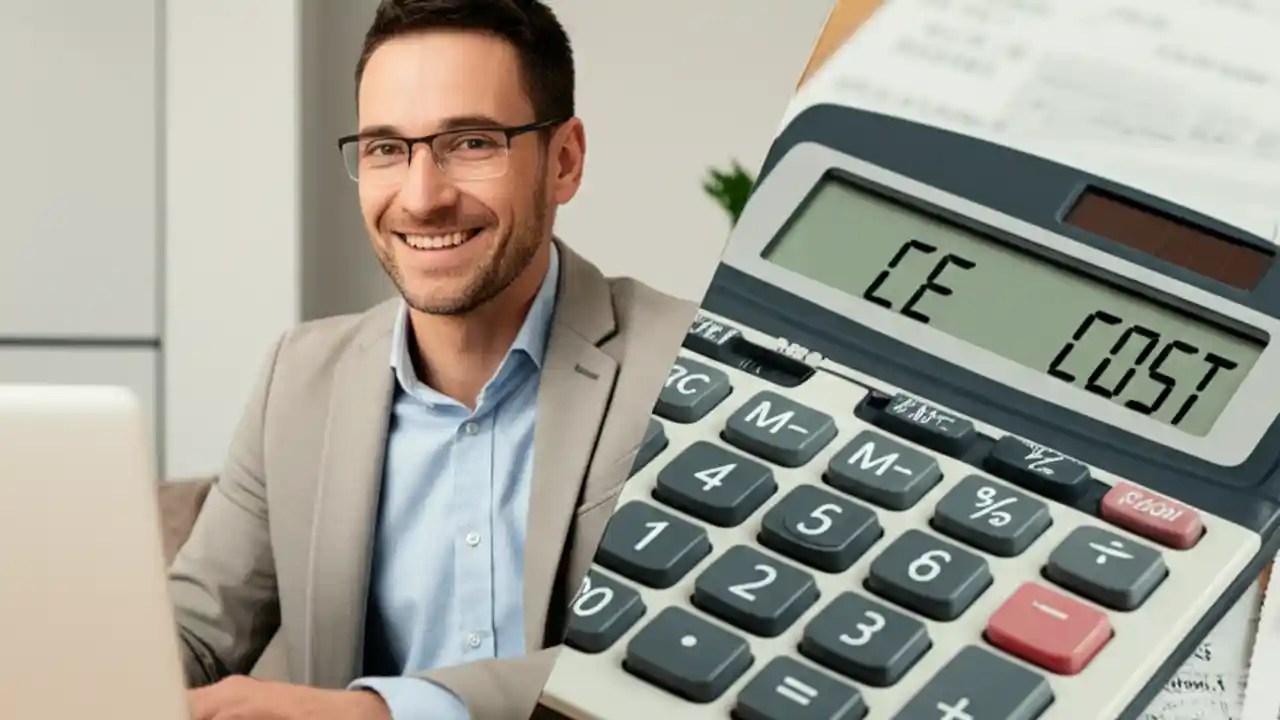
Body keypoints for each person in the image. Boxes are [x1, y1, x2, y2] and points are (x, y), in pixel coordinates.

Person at [168, 1, 695, 718]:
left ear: (563, 161)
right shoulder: (297, 378)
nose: (422, 198)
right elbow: (194, 631)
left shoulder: (686, 365)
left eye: (472, 143)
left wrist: (381, 712)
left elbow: (671, 648)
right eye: (387, 149)